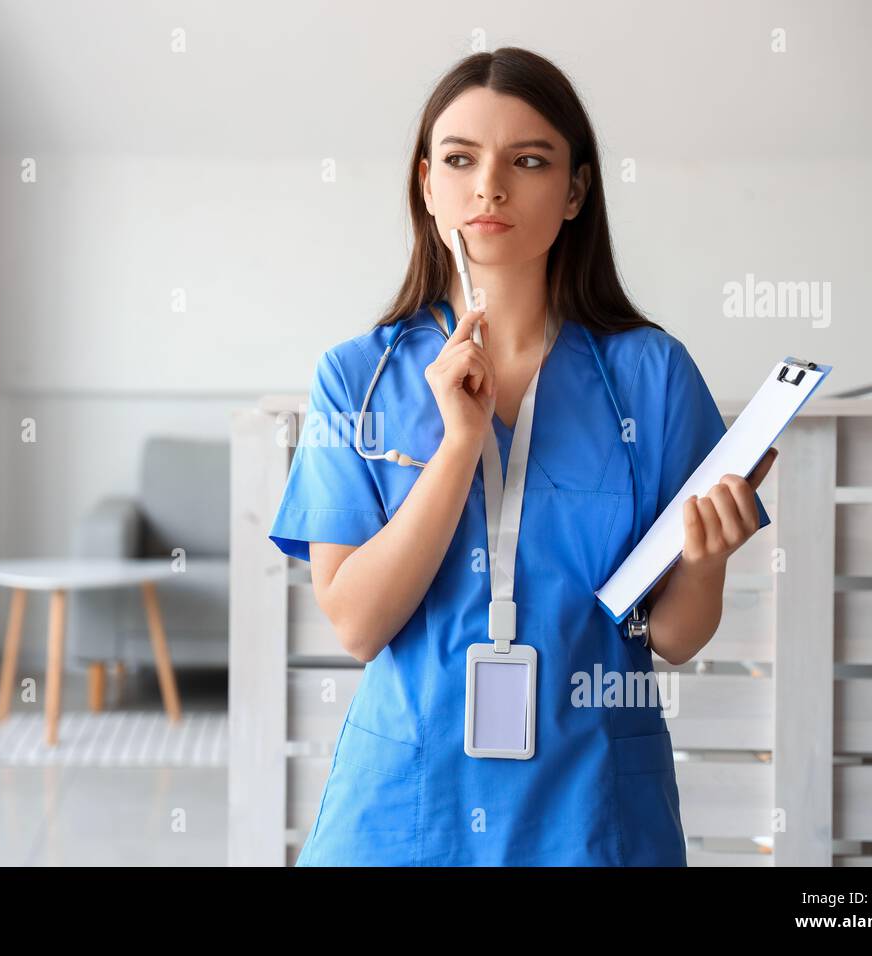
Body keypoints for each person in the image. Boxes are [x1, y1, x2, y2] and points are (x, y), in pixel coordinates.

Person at [267, 47, 777, 866]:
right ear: (425, 184)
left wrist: (708, 560)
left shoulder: (651, 375)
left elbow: (675, 636)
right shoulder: (355, 378)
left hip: (593, 810)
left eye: (528, 161)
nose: (489, 187)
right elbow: (358, 624)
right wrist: (459, 445)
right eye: (461, 159)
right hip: (404, 809)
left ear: (575, 191)